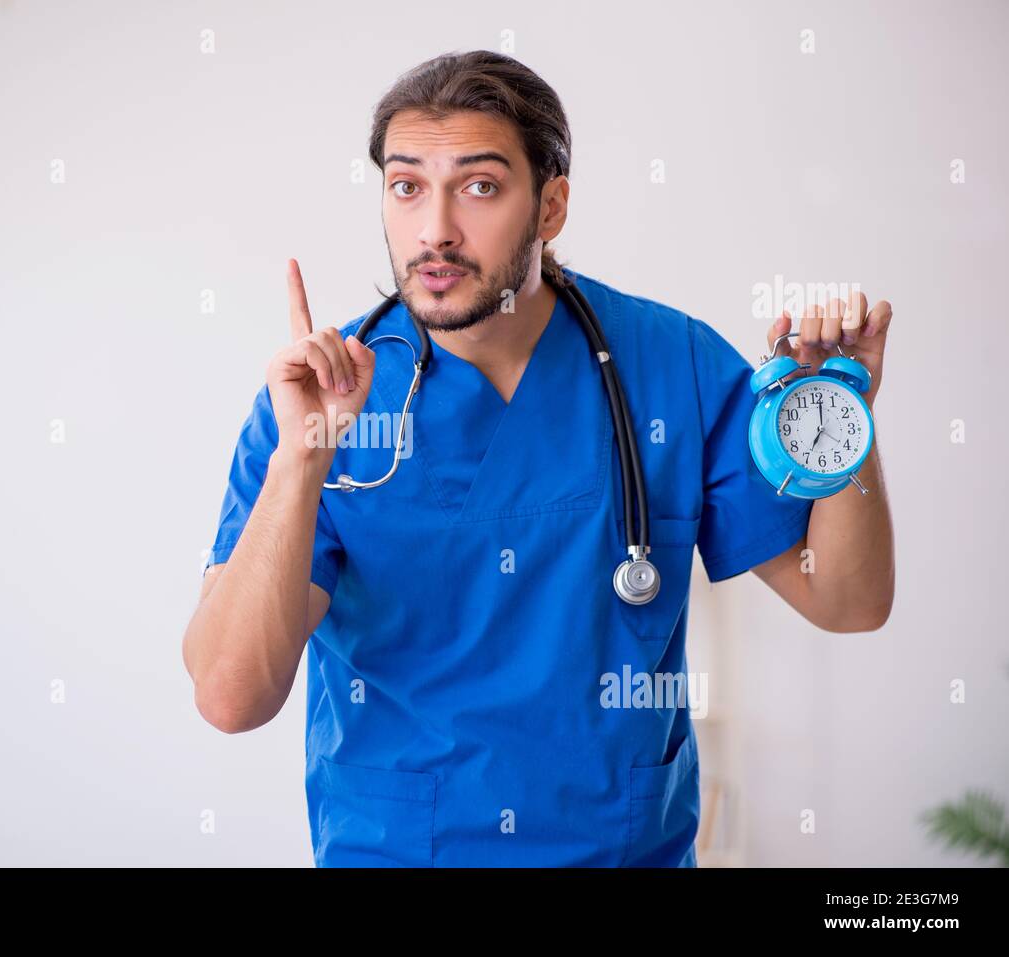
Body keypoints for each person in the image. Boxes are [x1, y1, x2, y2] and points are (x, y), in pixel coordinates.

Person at [182, 51, 896, 867]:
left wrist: (846, 419)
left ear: (551, 205)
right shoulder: (316, 395)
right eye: (407, 186)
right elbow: (230, 695)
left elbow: (848, 600)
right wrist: (300, 461)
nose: (435, 228)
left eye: (480, 186)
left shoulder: (674, 365)